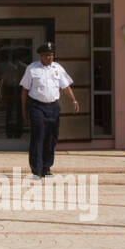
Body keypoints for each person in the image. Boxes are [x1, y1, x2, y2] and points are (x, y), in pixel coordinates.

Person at [20, 41, 77, 179]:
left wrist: (73, 100)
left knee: (51, 138)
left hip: (53, 106)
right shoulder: (32, 68)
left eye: (51, 55)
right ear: (41, 56)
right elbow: (25, 90)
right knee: (38, 137)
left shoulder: (57, 68)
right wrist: (24, 108)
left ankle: (46, 168)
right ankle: (36, 170)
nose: (49, 57)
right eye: (46, 55)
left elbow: (65, 86)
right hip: (37, 106)